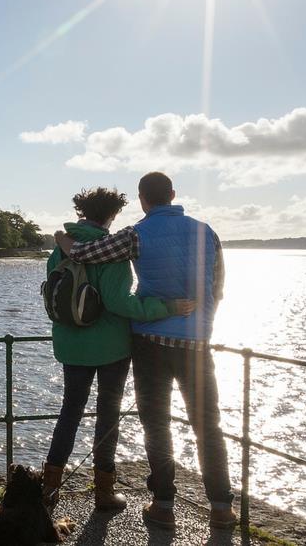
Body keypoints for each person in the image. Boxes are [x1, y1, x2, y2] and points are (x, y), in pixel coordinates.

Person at [55, 171, 234, 530]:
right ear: (172, 194)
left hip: (150, 343)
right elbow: (218, 286)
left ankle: (164, 504)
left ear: (143, 199)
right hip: (196, 343)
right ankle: (221, 507)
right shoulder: (207, 232)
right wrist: (202, 322)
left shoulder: (136, 234)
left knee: (156, 424)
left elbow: (88, 253)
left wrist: (61, 239)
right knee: (208, 426)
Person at [42, 187, 196, 515]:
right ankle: (104, 493)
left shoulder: (60, 248)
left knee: (69, 413)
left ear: (82, 211)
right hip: (111, 347)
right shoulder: (110, 252)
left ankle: (48, 490)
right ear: (111, 216)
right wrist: (165, 307)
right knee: (108, 415)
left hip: (70, 345)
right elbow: (120, 303)